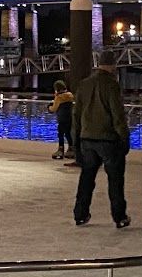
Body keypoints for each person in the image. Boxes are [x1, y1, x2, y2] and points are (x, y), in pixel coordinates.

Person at [71, 59, 130, 228]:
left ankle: (80, 214)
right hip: (108, 140)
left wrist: (76, 139)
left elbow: (76, 114)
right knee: (115, 179)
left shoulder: (84, 84)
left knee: (86, 178)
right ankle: (119, 216)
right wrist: (124, 136)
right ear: (111, 66)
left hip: (87, 139)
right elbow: (117, 113)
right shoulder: (112, 85)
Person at [49, 81, 75, 160]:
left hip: (61, 119)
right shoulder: (70, 95)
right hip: (69, 118)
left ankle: (60, 150)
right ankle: (71, 149)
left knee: (60, 134)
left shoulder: (59, 97)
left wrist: (49, 107)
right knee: (68, 133)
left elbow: (54, 109)